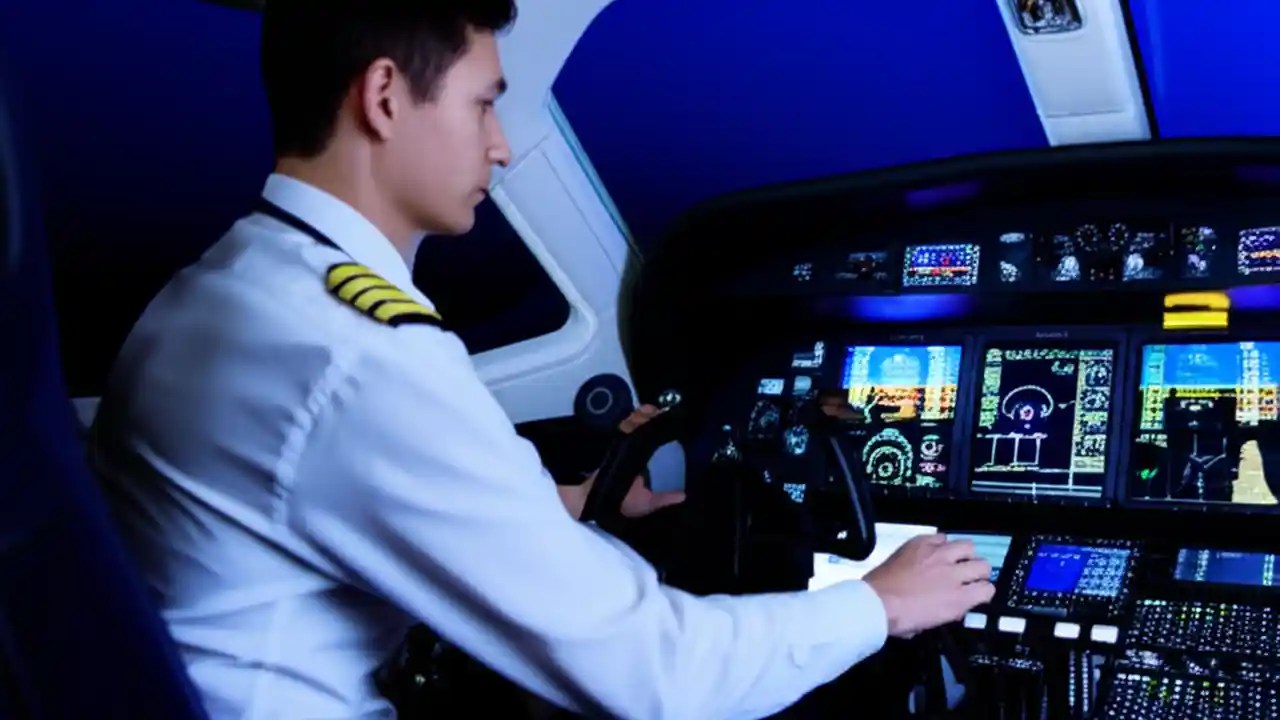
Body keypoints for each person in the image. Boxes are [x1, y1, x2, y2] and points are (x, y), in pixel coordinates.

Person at [88, 2, 995, 718]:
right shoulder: (361, 357)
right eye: (483, 101)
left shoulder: (219, 290)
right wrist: (881, 603)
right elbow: (653, 677)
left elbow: (331, 491)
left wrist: (584, 503)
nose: (501, 142)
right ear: (386, 96)